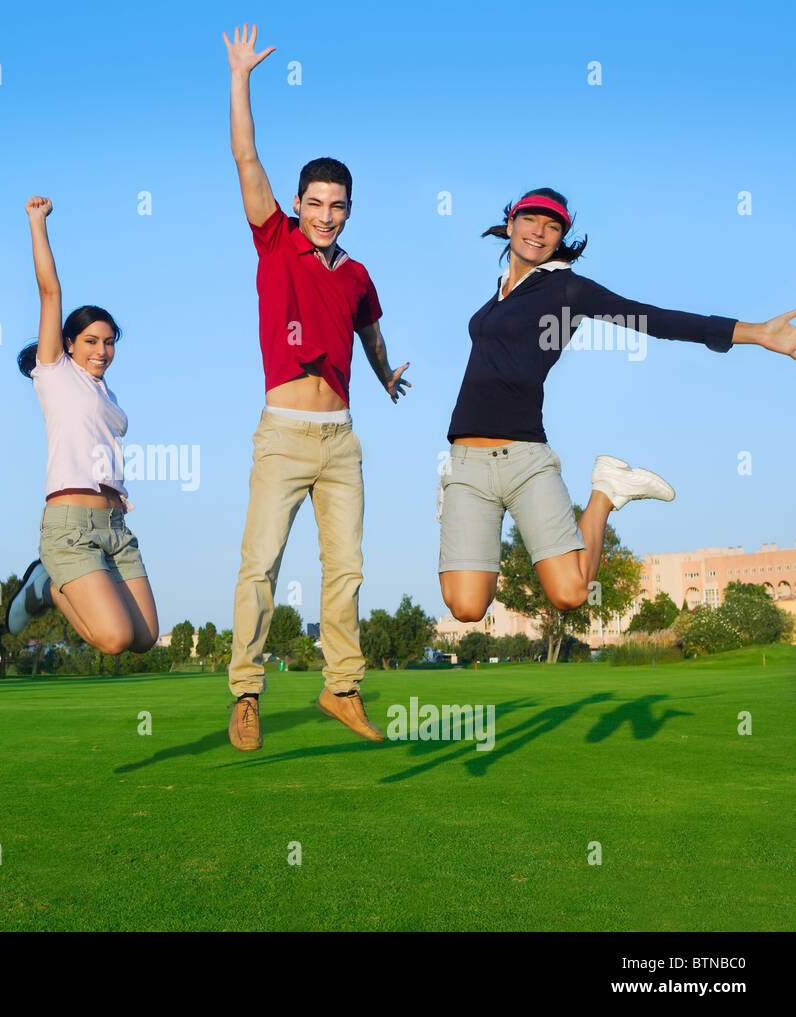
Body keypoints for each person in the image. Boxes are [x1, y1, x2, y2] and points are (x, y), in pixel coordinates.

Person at [438, 187, 796, 624]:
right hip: (465, 462)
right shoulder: (498, 296)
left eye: (553, 227)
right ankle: (451, 494)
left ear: (560, 238)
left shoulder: (566, 289)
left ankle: (606, 492)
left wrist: (754, 332)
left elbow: (654, 318)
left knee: (571, 594)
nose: (540, 232)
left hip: (524, 456)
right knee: (467, 607)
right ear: (511, 223)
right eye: (531, 220)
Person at [223, 24, 410, 752]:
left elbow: (368, 331)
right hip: (283, 434)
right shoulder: (275, 238)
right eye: (316, 201)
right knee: (260, 563)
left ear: (349, 210)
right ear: (298, 201)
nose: (326, 214)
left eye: (338, 205)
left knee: (349, 568)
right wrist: (241, 77)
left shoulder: (358, 273)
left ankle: (342, 687)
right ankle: (246, 691)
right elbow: (245, 156)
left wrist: (386, 371)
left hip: (342, 439)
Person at [6, 197, 159, 656]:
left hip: (114, 526)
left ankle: (58, 583)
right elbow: (50, 291)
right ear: (68, 344)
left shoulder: (105, 394)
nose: (102, 349)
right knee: (114, 639)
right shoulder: (54, 375)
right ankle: (49, 586)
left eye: (110, 342)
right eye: (91, 340)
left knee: (145, 638)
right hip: (70, 525)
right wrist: (37, 222)